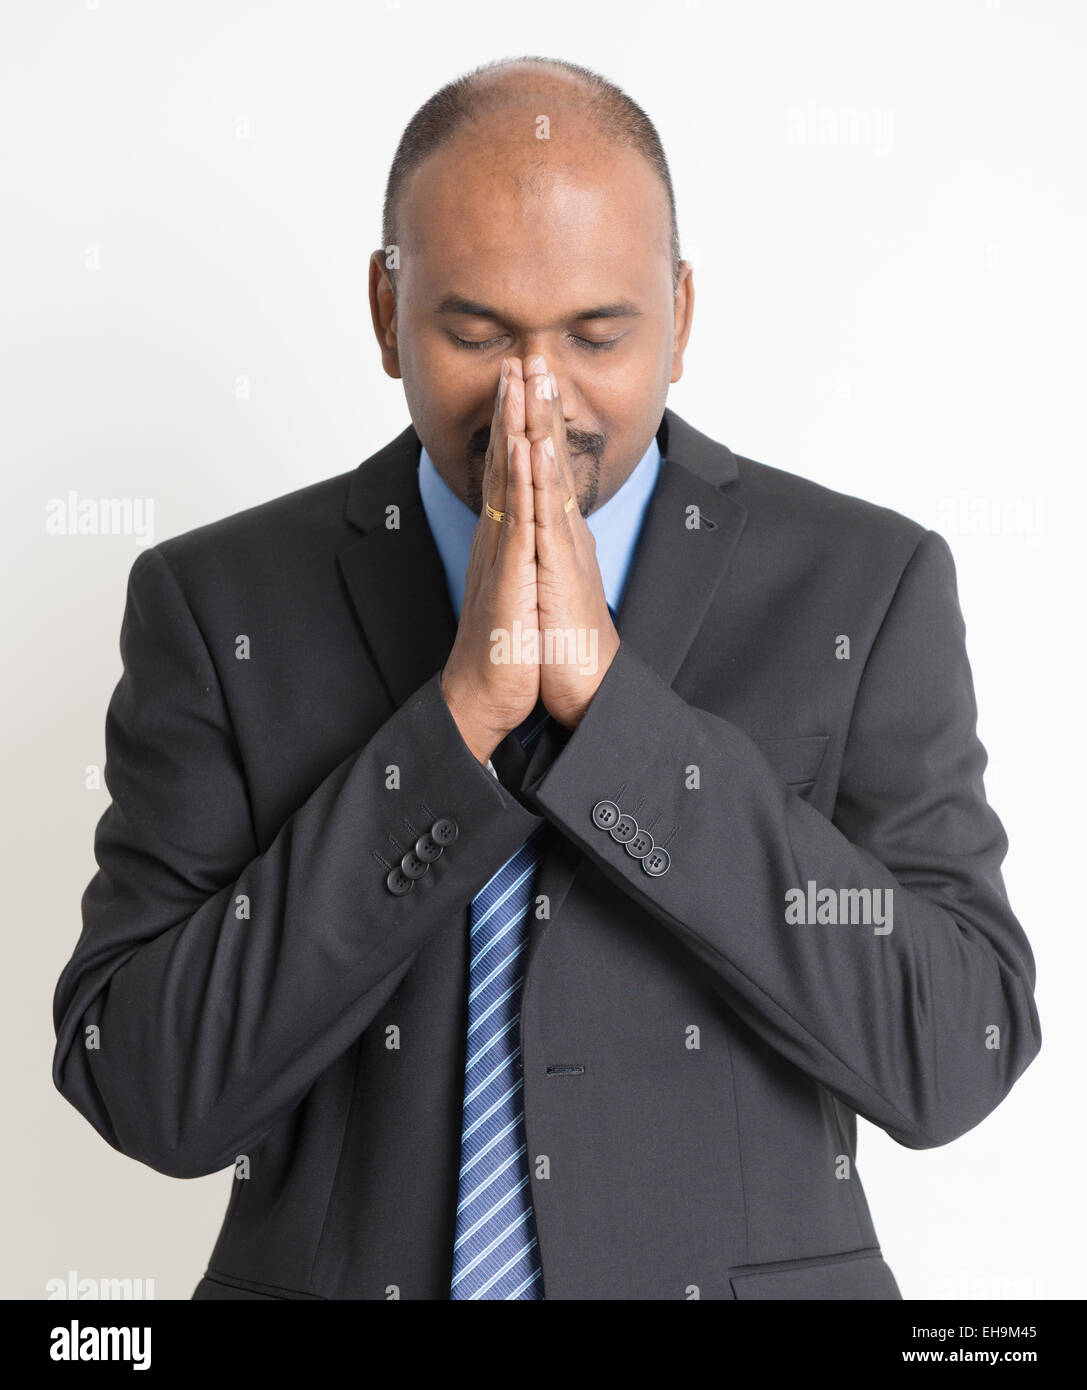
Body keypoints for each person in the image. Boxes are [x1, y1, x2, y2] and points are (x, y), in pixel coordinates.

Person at [52, 55, 1040, 1300]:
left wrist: (612, 714)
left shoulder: (864, 585)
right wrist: (459, 724)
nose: (537, 393)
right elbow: (145, 1087)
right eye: (474, 332)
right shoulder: (217, 604)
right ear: (383, 312)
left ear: (678, 318)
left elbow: (956, 1050)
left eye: (596, 332)